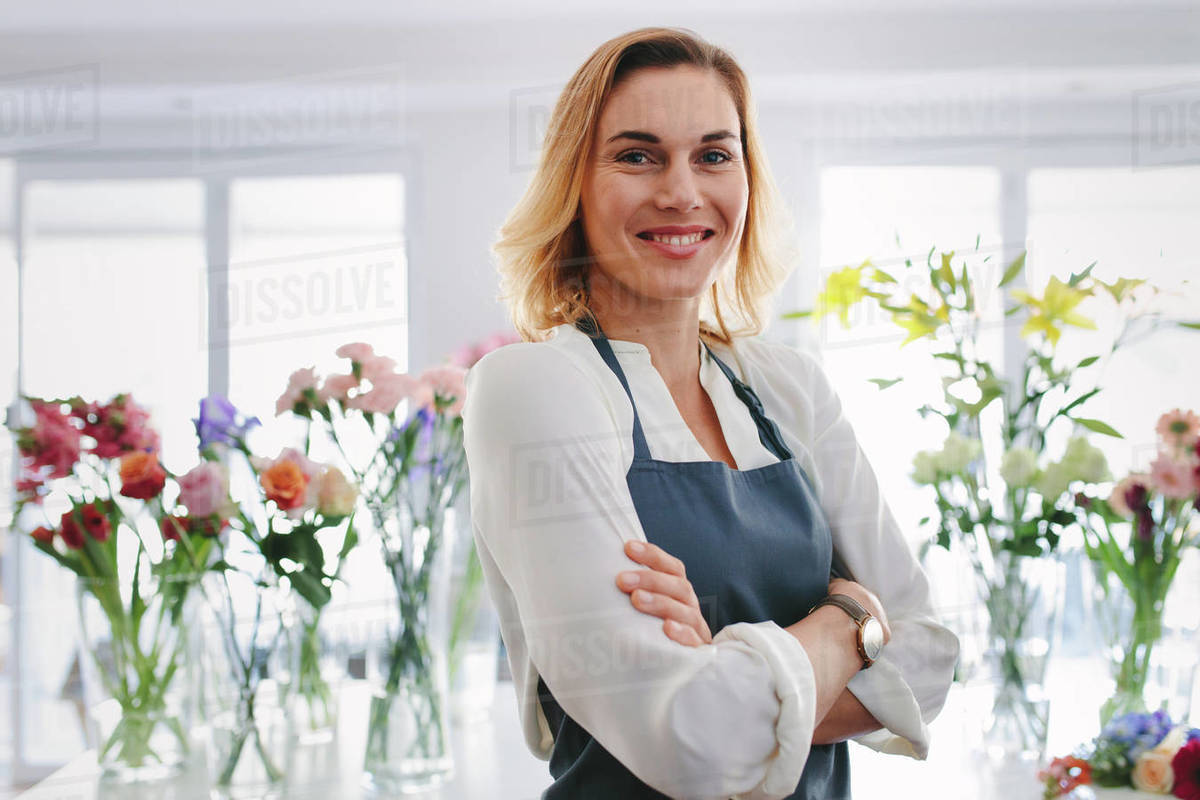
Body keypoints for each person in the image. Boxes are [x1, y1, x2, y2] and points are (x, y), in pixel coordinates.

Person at [462, 26, 959, 800]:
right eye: (638, 156)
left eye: (714, 155)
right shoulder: (532, 387)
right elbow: (691, 745)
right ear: (574, 183)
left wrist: (723, 673)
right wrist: (848, 618)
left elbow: (929, 657)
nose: (681, 192)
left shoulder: (791, 389)